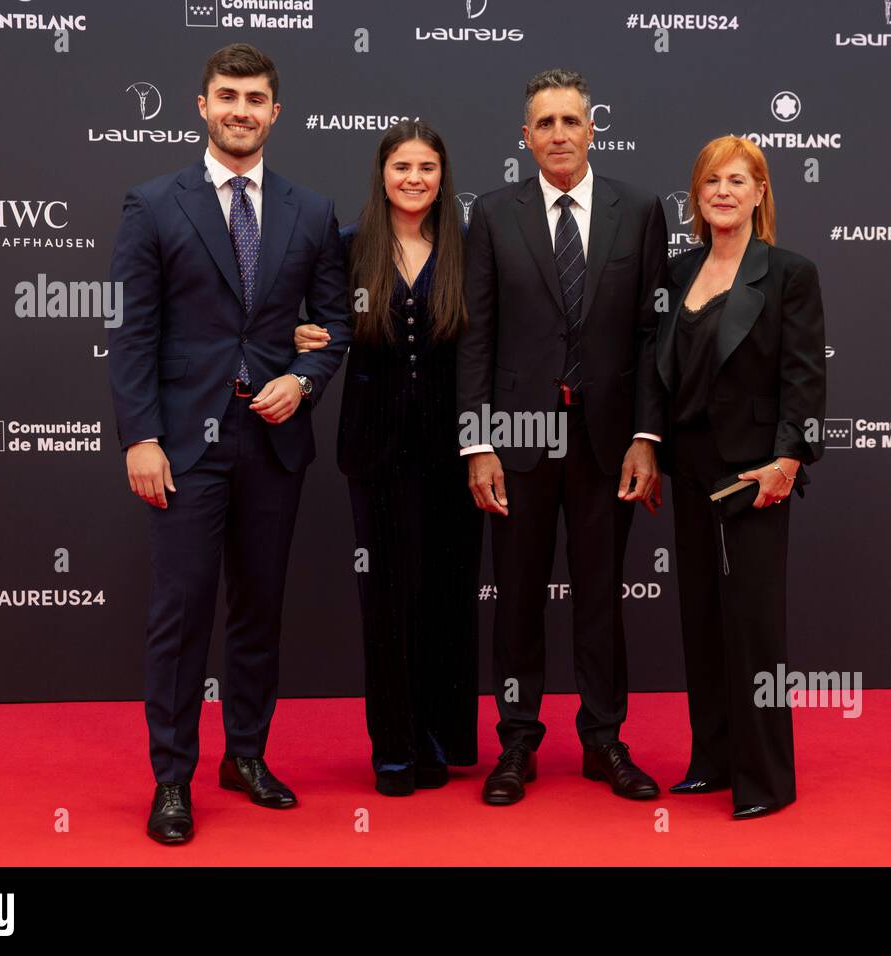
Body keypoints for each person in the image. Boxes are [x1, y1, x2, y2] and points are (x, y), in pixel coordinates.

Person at [108, 43, 351, 844]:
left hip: (273, 444)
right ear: (202, 106)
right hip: (182, 448)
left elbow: (333, 325)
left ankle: (245, 753)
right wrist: (140, 438)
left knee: (259, 609)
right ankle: (172, 777)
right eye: (227, 96)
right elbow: (133, 335)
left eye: (255, 98)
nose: (241, 109)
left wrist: (306, 378)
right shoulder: (153, 203)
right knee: (180, 615)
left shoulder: (311, 212)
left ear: (276, 112)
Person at [457, 69, 668, 805]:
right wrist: (476, 441)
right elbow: (476, 336)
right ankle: (516, 740)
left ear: (591, 128)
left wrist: (648, 435)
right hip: (515, 437)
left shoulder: (637, 211)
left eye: (569, 121)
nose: (557, 134)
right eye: (542, 123)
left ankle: (604, 739)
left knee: (601, 596)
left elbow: (651, 335)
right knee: (515, 595)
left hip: (609, 440)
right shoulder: (490, 214)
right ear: (525, 136)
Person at [292, 120, 482, 796]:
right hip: (374, 454)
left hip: (454, 455)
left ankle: (439, 737)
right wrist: (299, 332)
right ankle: (394, 745)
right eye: (402, 166)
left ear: (442, 177)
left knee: (445, 595)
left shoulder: (464, 249)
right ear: (382, 174)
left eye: (427, 168)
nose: (414, 178)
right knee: (389, 599)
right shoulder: (347, 248)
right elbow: (309, 323)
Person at [657, 135, 825, 819]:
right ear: (695, 198)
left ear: (760, 193)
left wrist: (789, 458)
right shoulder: (677, 274)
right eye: (710, 183)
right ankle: (714, 760)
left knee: (753, 625)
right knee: (701, 617)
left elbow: (805, 377)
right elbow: (658, 372)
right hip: (692, 466)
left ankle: (766, 779)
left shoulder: (789, 273)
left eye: (737, 180)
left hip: (756, 470)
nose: (723, 192)